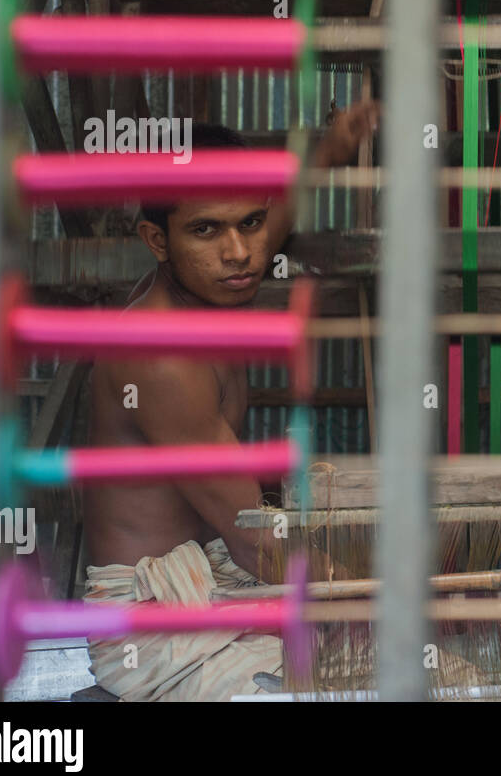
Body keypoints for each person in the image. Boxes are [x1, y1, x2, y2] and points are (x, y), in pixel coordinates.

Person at [81, 103, 379, 701]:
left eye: (251, 223)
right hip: (161, 624)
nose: (240, 253)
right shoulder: (161, 356)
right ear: (155, 241)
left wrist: (330, 150)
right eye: (206, 230)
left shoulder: (212, 277)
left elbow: (270, 217)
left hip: (227, 581)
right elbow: (254, 540)